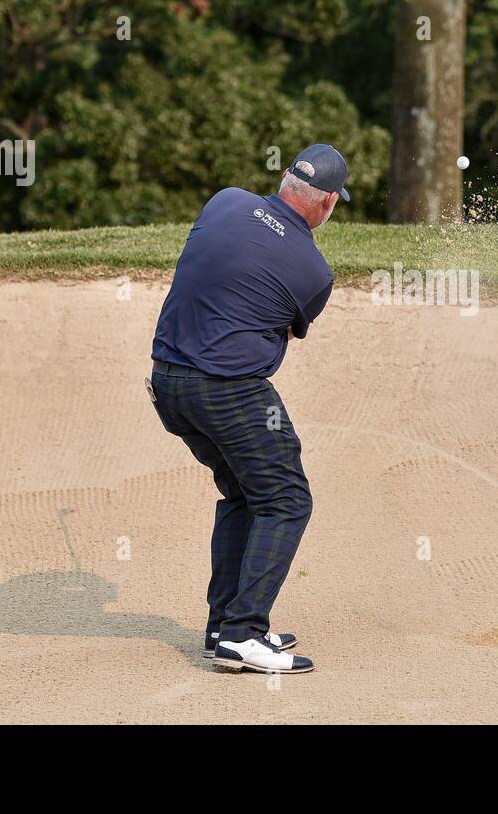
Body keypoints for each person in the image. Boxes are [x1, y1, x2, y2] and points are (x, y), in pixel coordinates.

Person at [147, 144, 349, 675]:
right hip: (227, 391)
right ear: (328, 202)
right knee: (286, 498)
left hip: (167, 383)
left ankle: (223, 628)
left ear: (285, 180)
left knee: (243, 490)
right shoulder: (315, 271)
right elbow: (285, 327)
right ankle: (243, 634)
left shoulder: (225, 201)